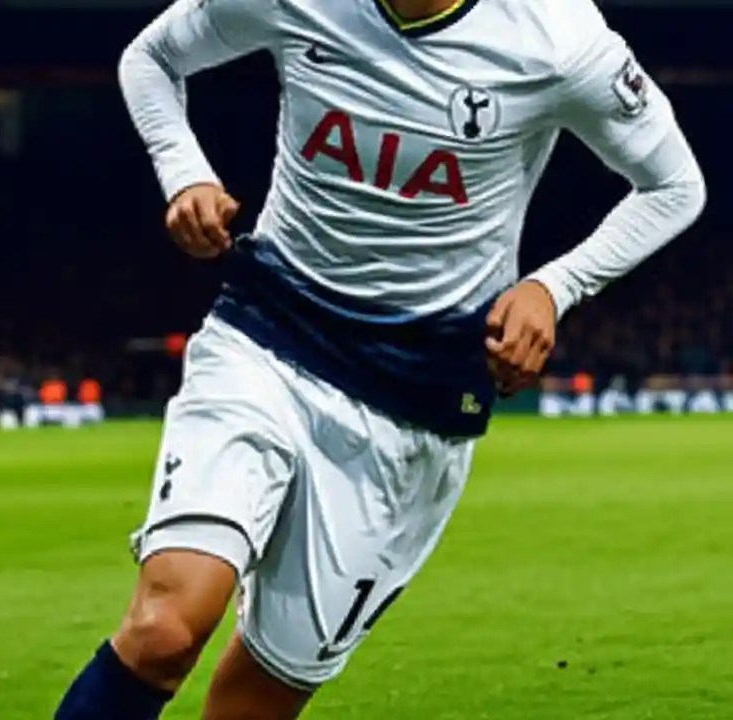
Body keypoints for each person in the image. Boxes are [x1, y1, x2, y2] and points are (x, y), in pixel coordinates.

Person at [54, 0, 706, 718]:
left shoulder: (558, 36)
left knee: (252, 704)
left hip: (416, 401)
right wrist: (183, 172)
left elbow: (674, 185)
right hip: (269, 335)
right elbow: (151, 57)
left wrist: (553, 287)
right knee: (164, 632)